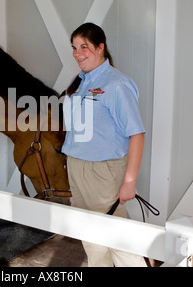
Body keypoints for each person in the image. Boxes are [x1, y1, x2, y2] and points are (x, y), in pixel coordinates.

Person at [62, 23, 147, 267]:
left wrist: (129, 182)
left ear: (100, 48)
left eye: (84, 47)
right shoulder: (80, 83)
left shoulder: (116, 84)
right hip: (77, 168)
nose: (78, 53)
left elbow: (137, 134)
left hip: (104, 173)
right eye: (74, 48)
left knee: (119, 244)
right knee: (92, 243)